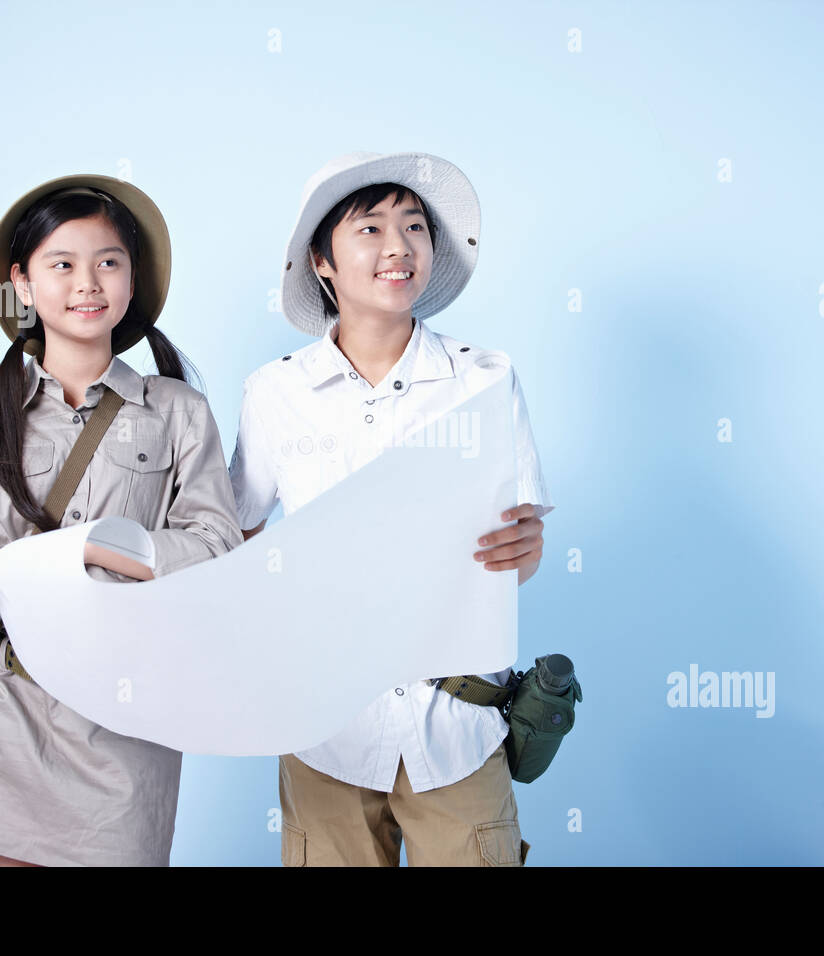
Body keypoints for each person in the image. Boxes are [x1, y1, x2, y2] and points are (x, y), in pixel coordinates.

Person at [229, 152, 554, 866]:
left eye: (414, 225)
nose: (398, 246)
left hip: (458, 728)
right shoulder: (274, 393)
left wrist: (519, 556)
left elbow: (518, 554)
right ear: (321, 260)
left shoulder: (484, 379)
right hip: (324, 732)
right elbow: (239, 535)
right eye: (369, 228)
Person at [0, 174, 243, 866]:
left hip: (128, 704)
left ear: (133, 282)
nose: (88, 282)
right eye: (62, 263)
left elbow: (217, 543)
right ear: (22, 281)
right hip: (17, 704)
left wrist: (100, 556)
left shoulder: (178, 411)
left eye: (108, 261)